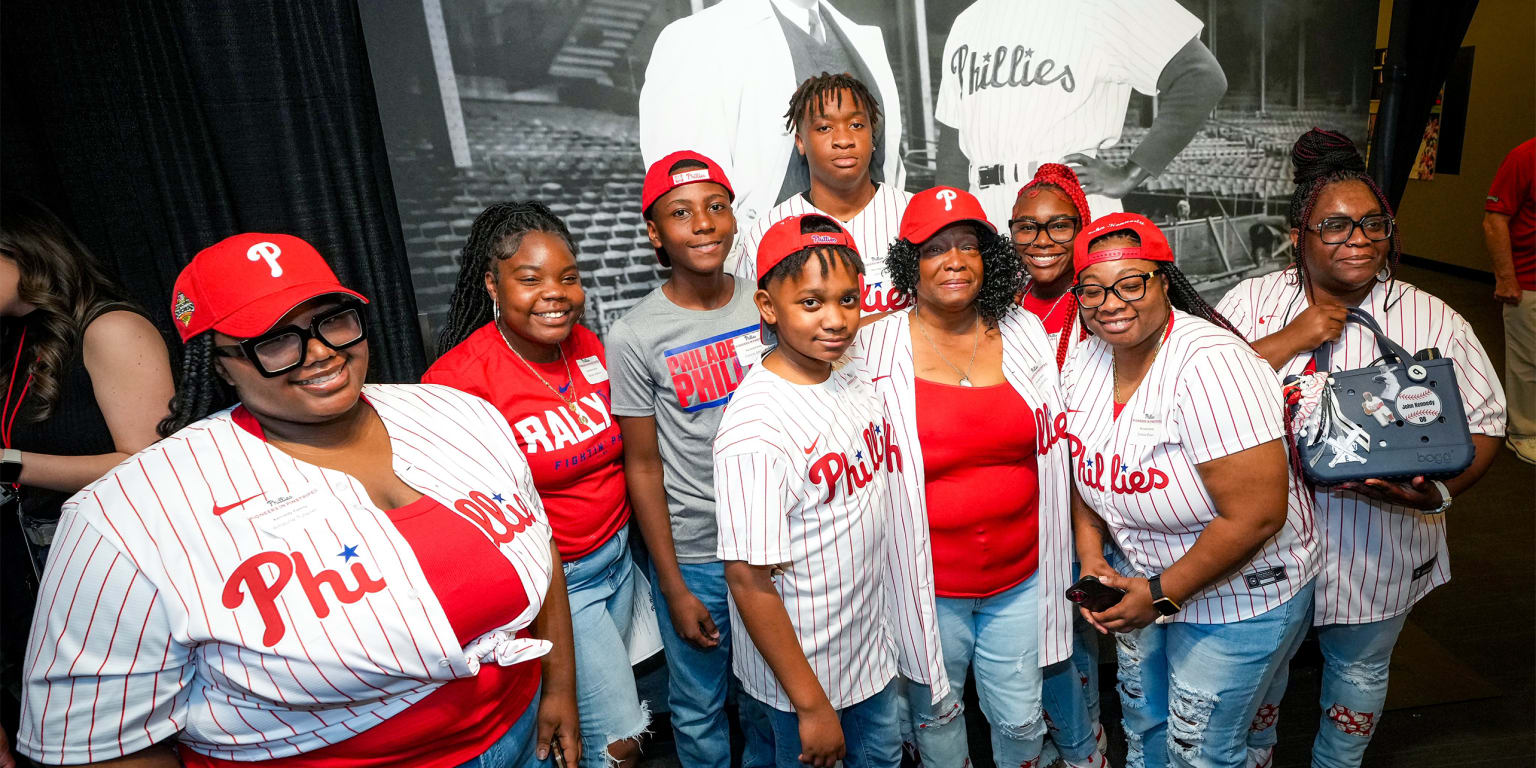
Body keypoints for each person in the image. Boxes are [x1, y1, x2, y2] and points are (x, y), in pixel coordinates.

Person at [16, 233, 580, 767]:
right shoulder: (127, 512)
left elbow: (539, 542)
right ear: (217, 363)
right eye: (274, 340)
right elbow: (91, 739)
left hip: (518, 732)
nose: (320, 353)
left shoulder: (459, 414)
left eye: (333, 321)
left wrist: (559, 685)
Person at [1220, 129, 1507, 768]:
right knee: (1262, 675)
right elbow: (1204, 395)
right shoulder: (1252, 303)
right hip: (1269, 541)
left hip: (1382, 537)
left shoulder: (1432, 318)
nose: (1358, 240)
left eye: (1372, 225)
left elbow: (1485, 425)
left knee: (1360, 668)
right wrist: (1294, 338)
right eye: (1336, 227)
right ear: (1299, 235)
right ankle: (1256, 755)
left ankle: (1337, 764)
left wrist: (1435, 490)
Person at [852, 187, 1107, 768]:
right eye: (935, 248)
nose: (955, 260)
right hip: (924, 587)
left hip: (1020, 578)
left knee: (1020, 721)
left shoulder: (1021, 333)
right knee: (937, 721)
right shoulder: (871, 347)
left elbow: (1063, 441)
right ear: (907, 264)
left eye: (968, 245)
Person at [1065, 213, 1320, 768]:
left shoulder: (1214, 363)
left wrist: (1158, 594)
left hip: (1239, 596)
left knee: (1199, 750)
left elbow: (1256, 515)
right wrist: (1091, 557)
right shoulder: (1083, 357)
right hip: (1139, 579)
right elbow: (1082, 466)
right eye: (1092, 289)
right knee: (1146, 726)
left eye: (1131, 283)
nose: (1112, 302)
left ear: (1164, 280)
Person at [426, 202, 648, 768]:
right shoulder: (457, 383)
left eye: (567, 278)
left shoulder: (588, 349)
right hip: (559, 586)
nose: (555, 292)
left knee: (582, 735)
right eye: (530, 279)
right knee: (616, 742)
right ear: (492, 285)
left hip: (619, 562)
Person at [715, 214, 902, 768]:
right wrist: (811, 705)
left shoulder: (844, 370)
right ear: (769, 308)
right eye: (812, 303)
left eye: (848, 300)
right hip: (803, 677)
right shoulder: (756, 431)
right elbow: (748, 582)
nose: (838, 319)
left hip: (867, 650)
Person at [607, 151, 773, 768]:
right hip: (699, 551)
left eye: (716, 207)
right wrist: (672, 585)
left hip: (769, 543)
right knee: (700, 704)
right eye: (681, 212)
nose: (702, 223)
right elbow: (643, 465)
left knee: (769, 695)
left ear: (733, 220)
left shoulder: (768, 304)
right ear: (656, 233)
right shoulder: (633, 334)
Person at [0, 195, 175, 767]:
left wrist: (10, 463)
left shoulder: (112, 327)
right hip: (41, 572)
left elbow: (148, 466)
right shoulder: (25, 336)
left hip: (113, 576)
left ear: (22, 252)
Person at [934, 0, 1227, 227]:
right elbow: (952, 153)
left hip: (1066, 200)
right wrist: (948, 225)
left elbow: (1201, 75)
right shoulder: (968, 21)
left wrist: (1129, 174)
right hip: (981, 207)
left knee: (1080, 305)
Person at [639, 0, 904, 237]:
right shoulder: (697, 38)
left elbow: (887, 163)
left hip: (873, 266)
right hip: (764, 273)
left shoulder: (862, 37)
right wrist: (740, 279)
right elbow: (684, 192)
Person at [1007, 166, 1109, 764]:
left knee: (1074, 633)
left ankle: (1084, 745)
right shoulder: (1001, 304)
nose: (1042, 239)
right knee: (1044, 636)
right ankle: (1069, 740)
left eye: (1058, 226)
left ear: (1082, 228)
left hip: (1091, 501)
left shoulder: (1101, 299)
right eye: (1027, 226)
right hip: (1026, 497)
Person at [732, 72, 912, 315]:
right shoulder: (767, 232)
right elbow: (752, 328)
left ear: (872, 135)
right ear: (800, 142)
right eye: (824, 127)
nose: (843, 140)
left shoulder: (914, 214)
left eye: (856, 125)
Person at [1483, 136, 1535, 464]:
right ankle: (1525, 432)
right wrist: (1506, 278)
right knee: (1529, 362)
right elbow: (1494, 220)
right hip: (1530, 282)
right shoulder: (1524, 156)